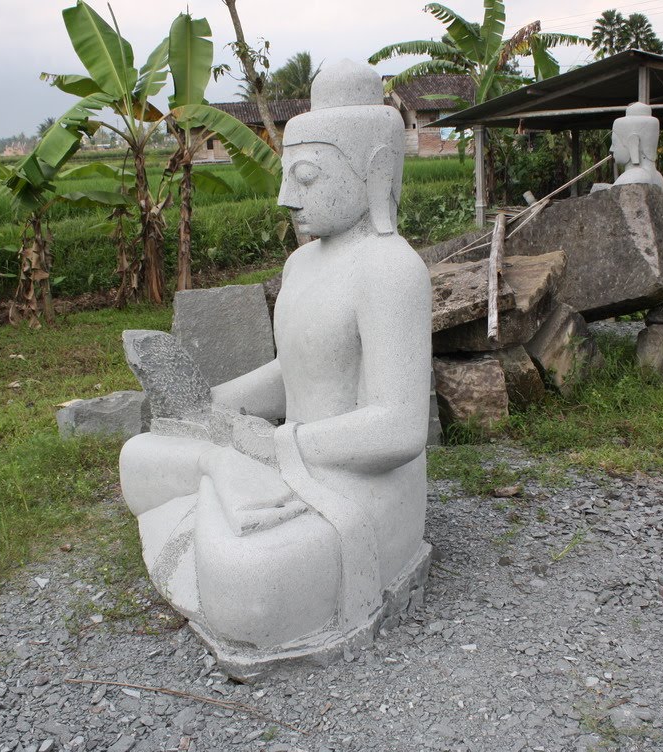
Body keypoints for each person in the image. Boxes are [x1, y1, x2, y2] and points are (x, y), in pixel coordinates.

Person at [119, 60, 432, 671]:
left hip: (359, 475)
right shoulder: (301, 266)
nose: (288, 196)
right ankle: (219, 472)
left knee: (248, 575)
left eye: (308, 175)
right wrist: (214, 407)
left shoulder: (391, 270)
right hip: (282, 451)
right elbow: (294, 372)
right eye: (288, 175)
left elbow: (398, 429)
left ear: (373, 172)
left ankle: (222, 498)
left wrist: (277, 448)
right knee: (139, 455)